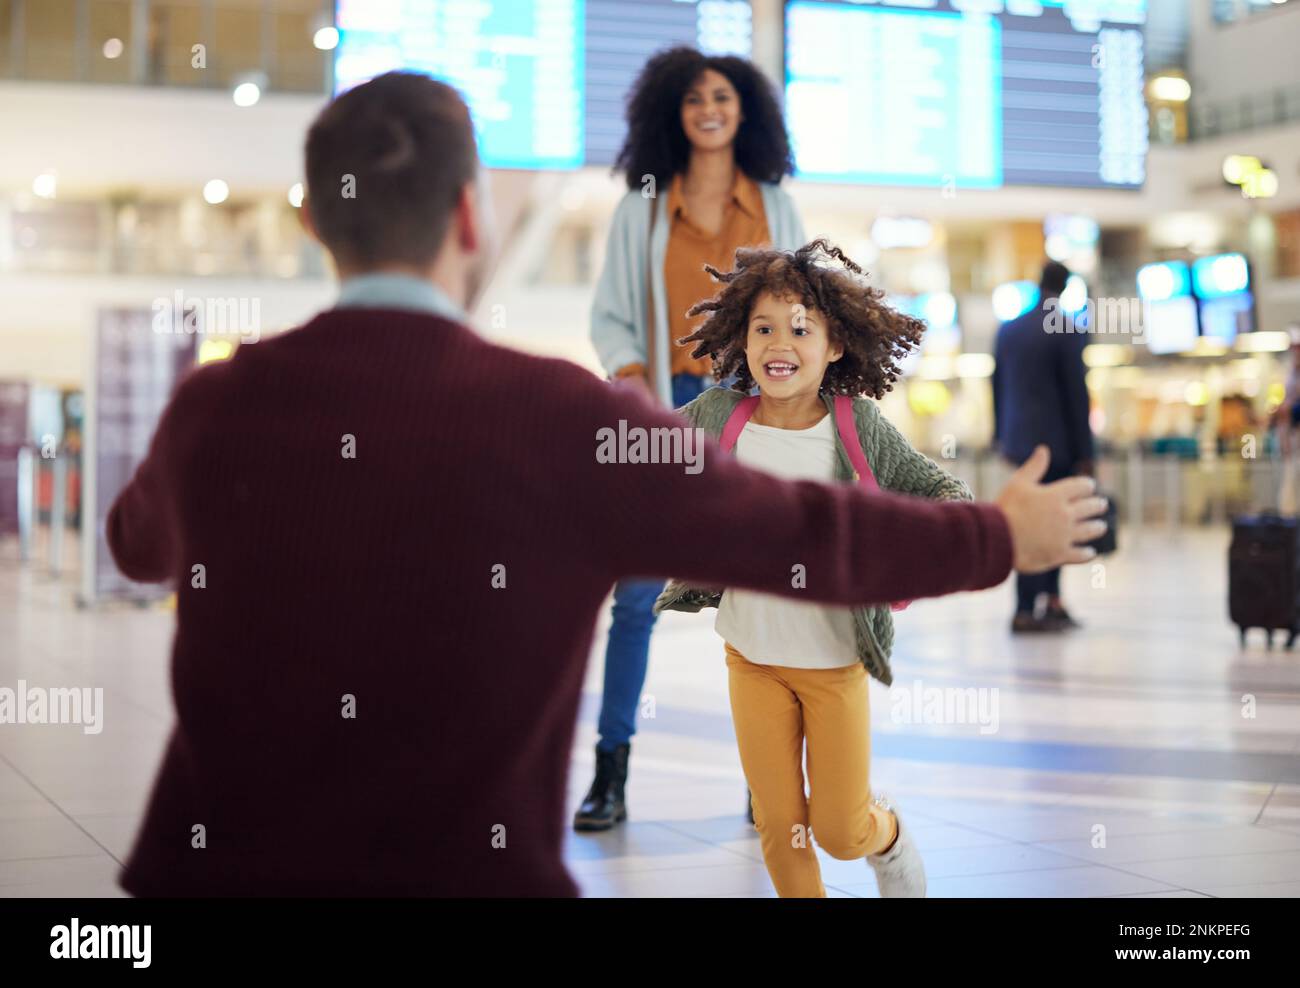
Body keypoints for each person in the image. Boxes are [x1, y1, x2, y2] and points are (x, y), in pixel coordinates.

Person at [106, 71, 1105, 897]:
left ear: (320, 221)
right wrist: (994, 535)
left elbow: (133, 544)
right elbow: (798, 531)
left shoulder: (213, 405)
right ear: (468, 216)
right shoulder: (557, 420)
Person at [654, 240, 966, 897]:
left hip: (834, 663)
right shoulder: (719, 417)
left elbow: (942, 494)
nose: (779, 342)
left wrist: (924, 552)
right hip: (753, 658)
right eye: (763, 327)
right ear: (742, 340)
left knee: (838, 830)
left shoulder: (857, 426)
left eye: (801, 328)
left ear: (834, 346)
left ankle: (889, 837)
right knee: (780, 827)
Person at [579, 47, 806, 831]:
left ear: (746, 110)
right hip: (667, 407)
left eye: (723, 96)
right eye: (693, 99)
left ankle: (768, 779)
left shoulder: (776, 204)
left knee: (762, 594)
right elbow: (610, 313)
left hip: (754, 406)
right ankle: (610, 772)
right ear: (671, 114)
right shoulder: (640, 208)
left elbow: (805, 310)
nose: (709, 108)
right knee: (636, 593)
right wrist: (637, 388)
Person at [992, 261, 1095, 633]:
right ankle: (1032, 606)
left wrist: (999, 436)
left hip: (1019, 443)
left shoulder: (1009, 328)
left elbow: (997, 385)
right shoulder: (1065, 328)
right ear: (1065, 288)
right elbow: (1076, 396)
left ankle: (1041, 603)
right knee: (1054, 521)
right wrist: (1086, 452)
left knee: (1030, 518)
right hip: (1057, 445)